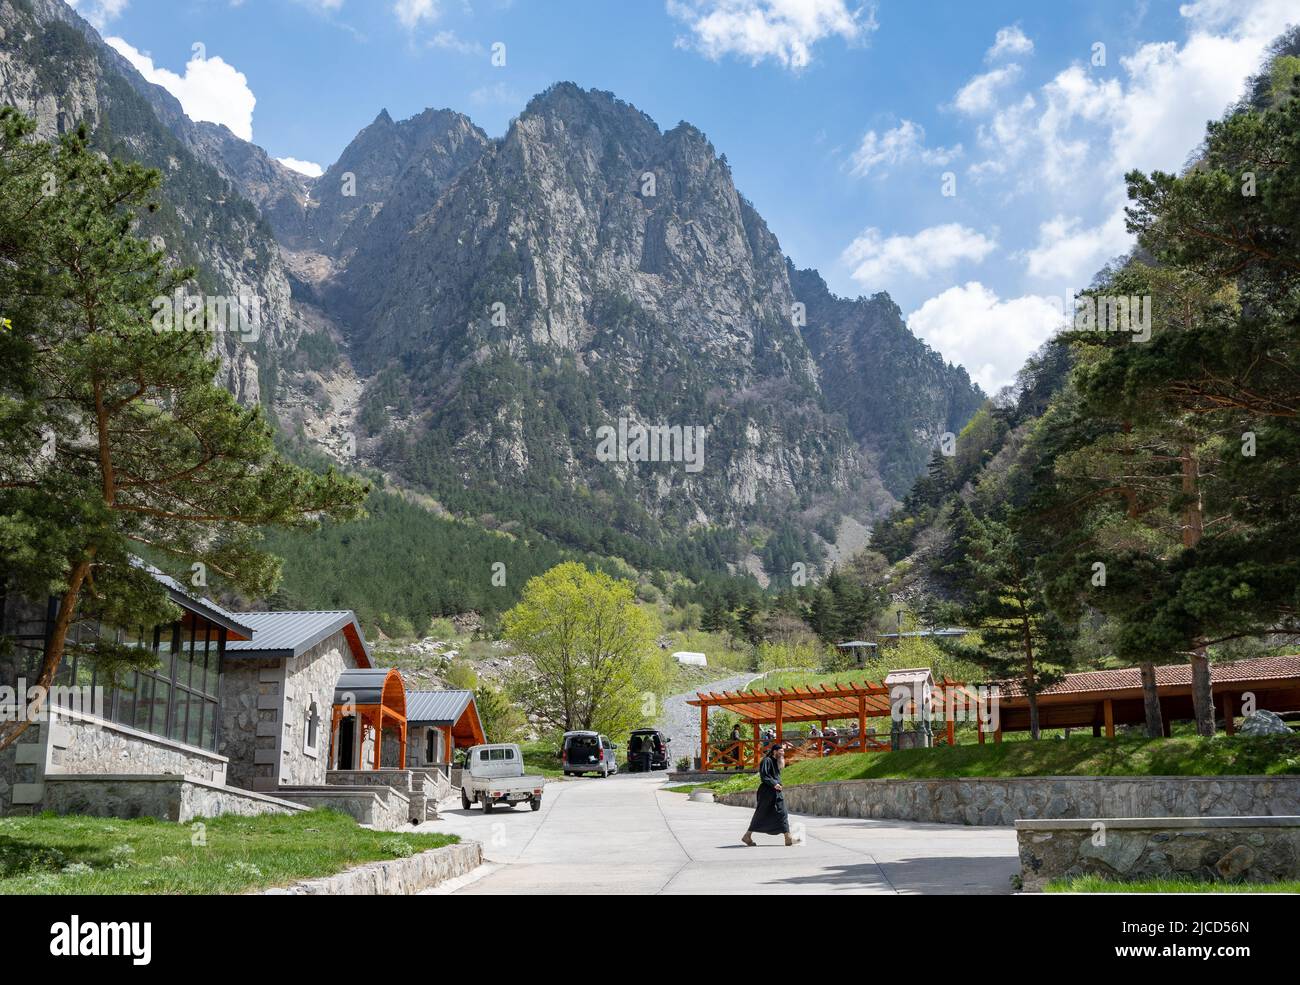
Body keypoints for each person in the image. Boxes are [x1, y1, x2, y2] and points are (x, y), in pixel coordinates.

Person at [742, 742, 793, 847]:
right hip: (767, 792)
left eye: (783, 751)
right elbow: (764, 776)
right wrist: (774, 784)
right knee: (761, 814)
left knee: (782, 812)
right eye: (781, 751)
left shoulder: (777, 761)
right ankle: (747, 836)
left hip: (776, 792)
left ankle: (787, 836)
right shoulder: (767, 760)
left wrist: (777, 785)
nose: (783, 753)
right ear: (775, 751)